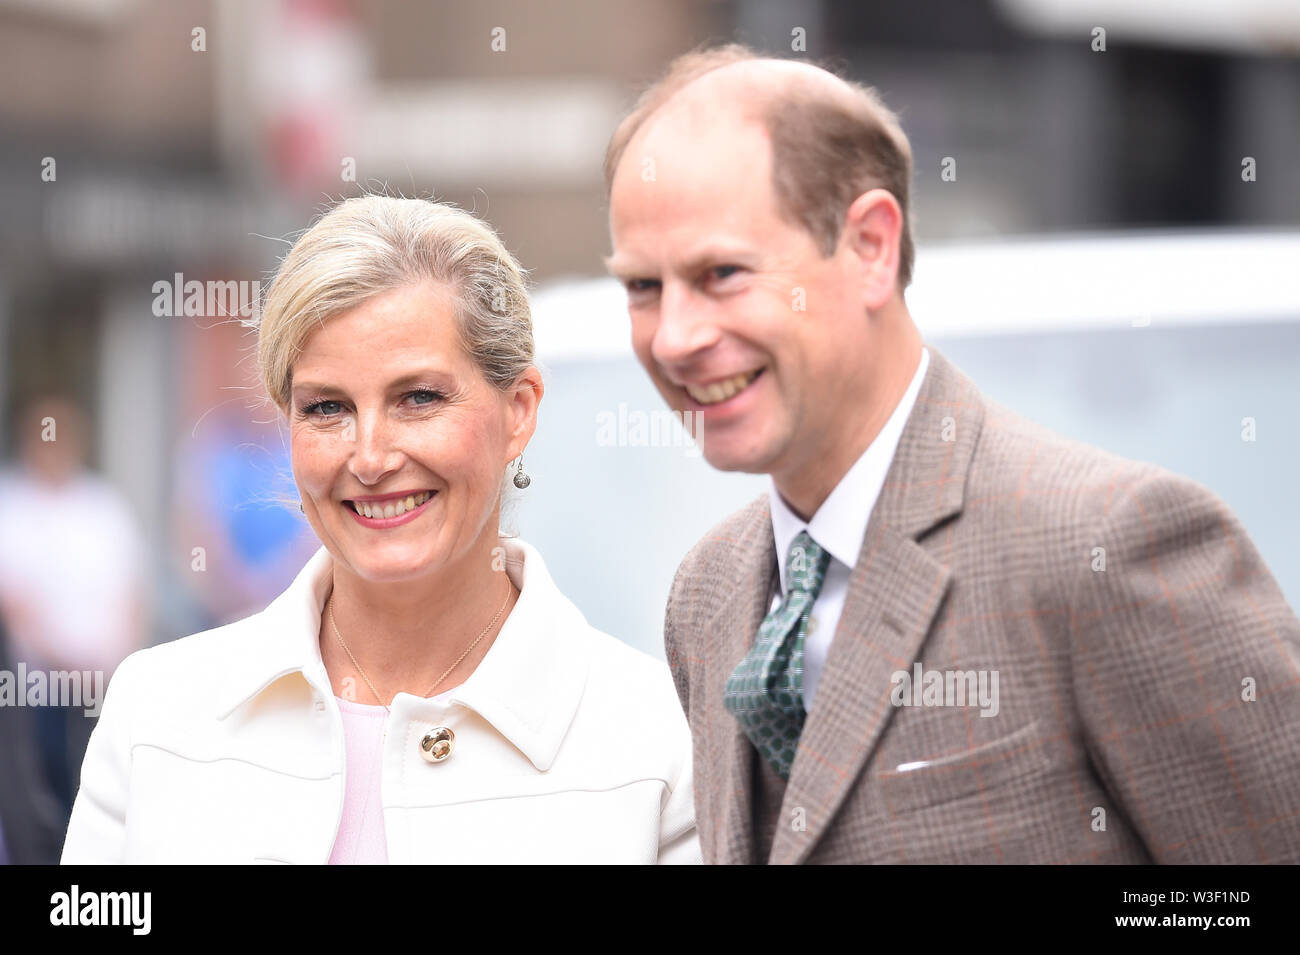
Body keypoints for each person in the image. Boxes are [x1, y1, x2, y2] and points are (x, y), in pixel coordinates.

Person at [602, 43, 1300, 864]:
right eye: (643, 287)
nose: (676, 336)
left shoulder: (1106, 544)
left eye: (721, 273)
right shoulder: (709, 593)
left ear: (871, 246)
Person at [62, 195, 699, 864]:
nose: (369, 457)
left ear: (518, 410)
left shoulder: (657, 739)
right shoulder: (155, 714)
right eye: (327, 407)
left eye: (418, 398)